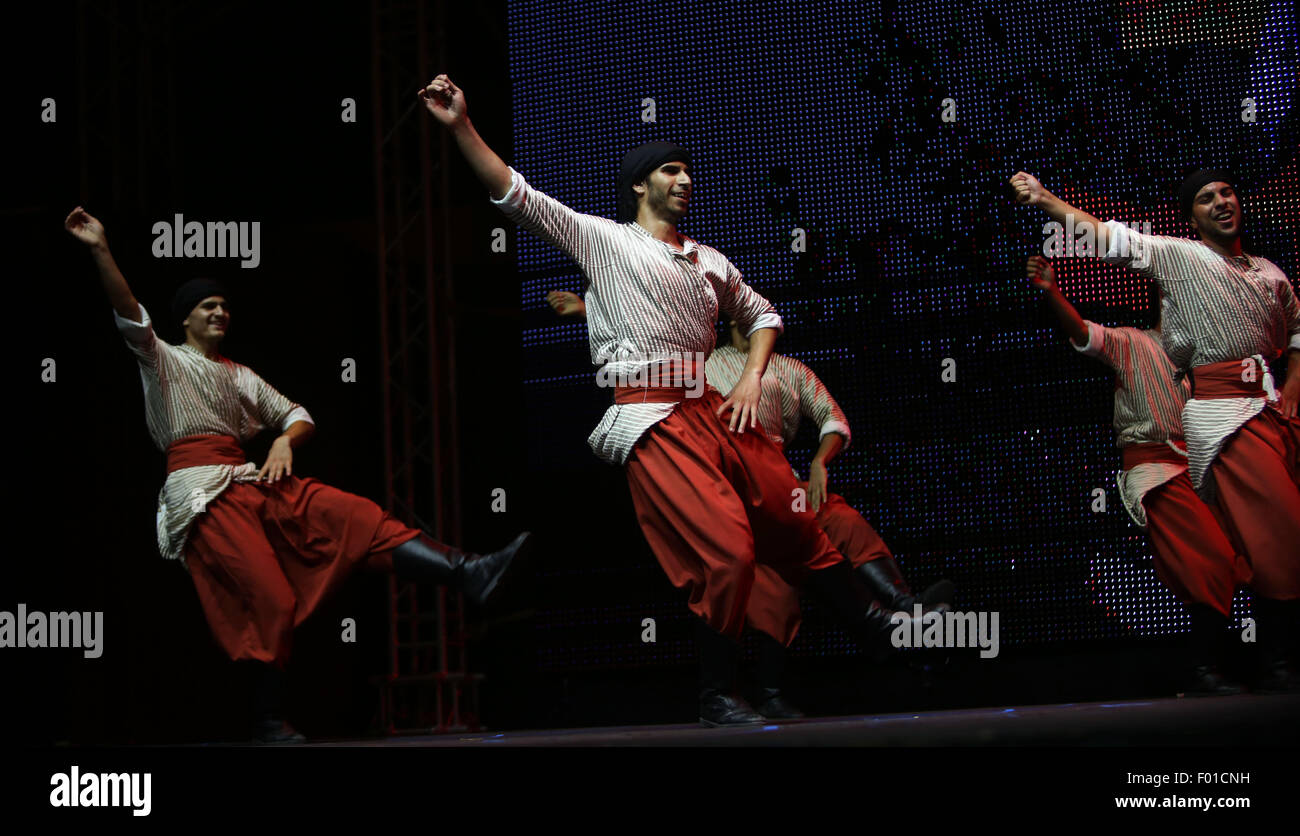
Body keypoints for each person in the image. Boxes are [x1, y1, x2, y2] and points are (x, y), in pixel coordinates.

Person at [421, 74, 912, 726]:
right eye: (671, 171)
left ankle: (875, 624)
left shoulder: (710, 261)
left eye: (688, 172)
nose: (684, 181)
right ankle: (717, 695)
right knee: (729, 554)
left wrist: (747, 379)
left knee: (796, 520)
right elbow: (517, 195)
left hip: (714, 409)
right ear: (640, 184)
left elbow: (763, 315)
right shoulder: (606, 240)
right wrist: (460, 126)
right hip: (655, 418)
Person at [65, 207, 532, 742]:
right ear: (186, 317)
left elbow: (298, 414)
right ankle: (266, 720)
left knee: (354, 515)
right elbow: (130, 313)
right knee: (274, 598)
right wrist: (101, 248)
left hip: (243, 478)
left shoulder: (239, 373)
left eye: (224, 306)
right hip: (201, 492)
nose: (221, 312)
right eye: (208, 306)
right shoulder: (164, 360)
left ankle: (468, 571)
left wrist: (284, 439)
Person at [549, 293, 954, 715]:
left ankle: (900, 609)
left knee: (837, 522)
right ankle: (763, 692)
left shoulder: (791, 370)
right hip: (730, 471)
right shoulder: (706, 367)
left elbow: (832, 417)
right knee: (761, 582)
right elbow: (652, 360)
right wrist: (592, 311)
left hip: (779, 473)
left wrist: (819, 459)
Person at [1010, 169, 1300, 690]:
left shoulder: (1267, 275)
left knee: (1244, 554)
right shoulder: (1160, 296)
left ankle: (1249, 661)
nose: (1220, 202)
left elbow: (1294, 330)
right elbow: (1091, 289)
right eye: (1206, 199)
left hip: (1253, 423)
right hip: (1186, 447)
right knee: (1257, 543)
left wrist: (1291, 390)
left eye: (1226, 192)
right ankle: (1250, 663)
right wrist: (1047, 205)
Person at [1026, 255, 1249, 695]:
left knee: (1235, 560)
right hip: (1157, 469)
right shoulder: (1132, 342)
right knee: (1214, 560)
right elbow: (1084, 334)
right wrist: (1052, 291)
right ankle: (1205, 669)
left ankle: (1212, 668)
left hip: (1198, 471)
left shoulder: (1200, 363)